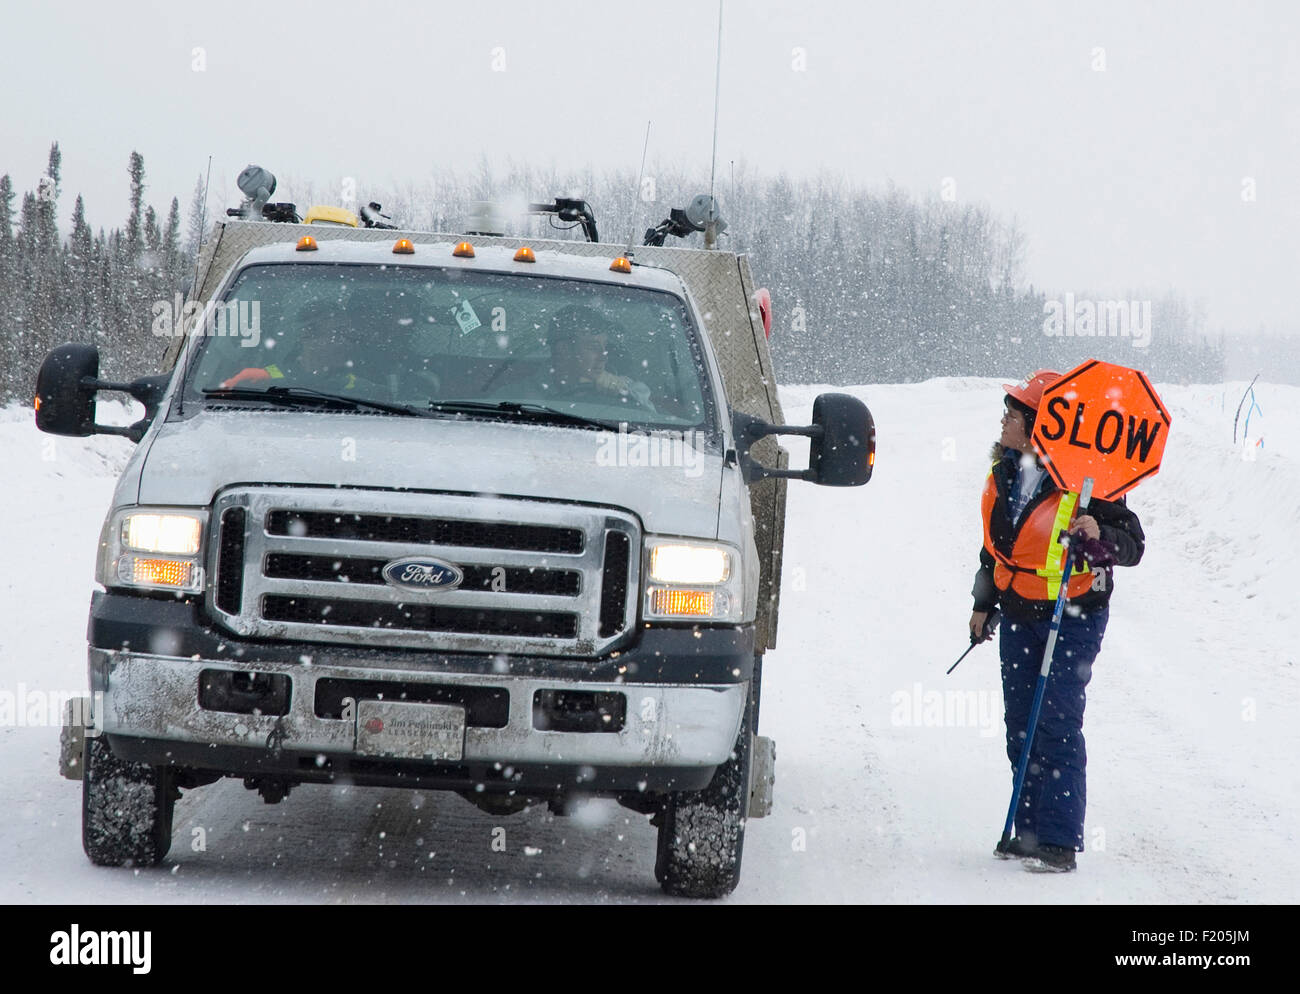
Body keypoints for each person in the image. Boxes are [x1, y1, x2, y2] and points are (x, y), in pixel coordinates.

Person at [969, 369, 1145, 872]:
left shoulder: (1092, 482)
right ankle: (1026, 832)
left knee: (1057, 723)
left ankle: (1058, 840)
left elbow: (1132, 546)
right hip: (1021, 612)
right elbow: (993, 550)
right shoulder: (1004, 473)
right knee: (1020, 725)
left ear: (1039, 424)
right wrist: (984, 604)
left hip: (1073, 616)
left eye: (1013, 413)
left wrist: (1097, 536)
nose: (1004, 421)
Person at [219, 301, 381, 394]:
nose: (346, 343)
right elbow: (220, 397)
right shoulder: (259, 380)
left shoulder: (370, 392)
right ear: (307, 337)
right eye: (337, 334)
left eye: (348, 336)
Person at [526, 304, 655, 410]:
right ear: (564, 350)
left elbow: (652, 421)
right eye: (593, 347)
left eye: (605, 347)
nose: (604, 357)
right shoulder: (521, 398)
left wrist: (625, 394)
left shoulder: (625, 387)